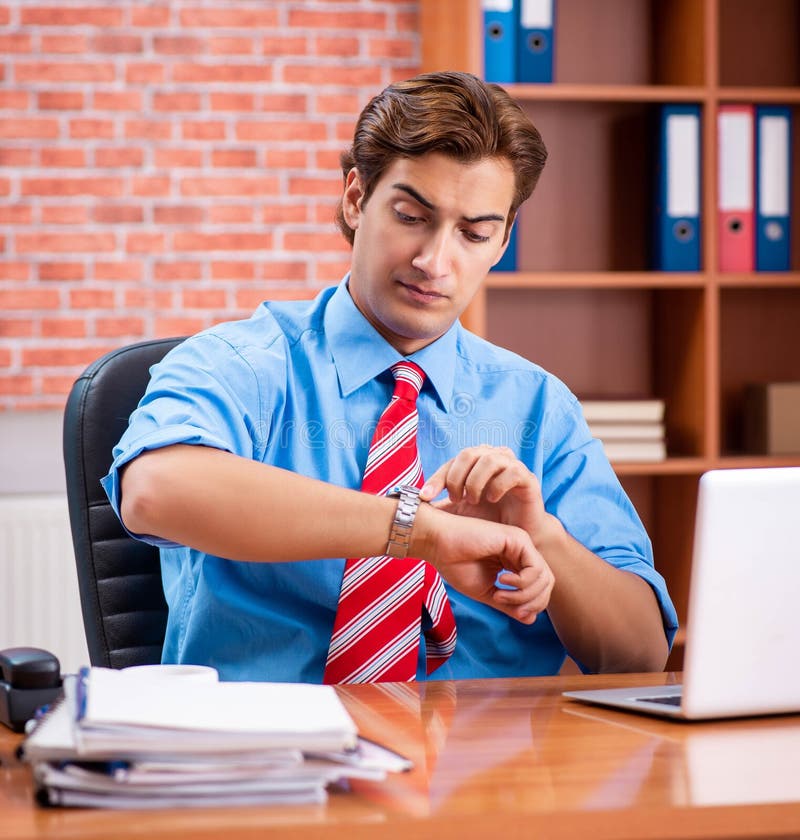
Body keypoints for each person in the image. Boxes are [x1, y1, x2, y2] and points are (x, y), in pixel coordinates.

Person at [103, 71, 677, 683]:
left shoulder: (537, 405)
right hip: (277, 758)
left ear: (502, 241)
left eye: (474, 233)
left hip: (490, 766)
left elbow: (641, 656)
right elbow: (153, 491)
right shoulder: (241, 363)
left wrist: (546, 540)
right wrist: (416, 533)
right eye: (410, 216)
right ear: (356, 199)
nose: (434, 262)